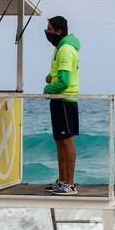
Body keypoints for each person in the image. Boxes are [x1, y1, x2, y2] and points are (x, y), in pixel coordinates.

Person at [42, 15, 80, 195]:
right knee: (59, 141)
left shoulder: (65, 48)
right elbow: (60, 75)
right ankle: (62, 180)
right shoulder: (60, 47)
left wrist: (47, 88)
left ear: (59, 31)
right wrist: (51, 78)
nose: (47, 32)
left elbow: (64, 81)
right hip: (59, 100)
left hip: (64, 100)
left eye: (49, 29)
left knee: (66, 141)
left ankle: (69, 184)